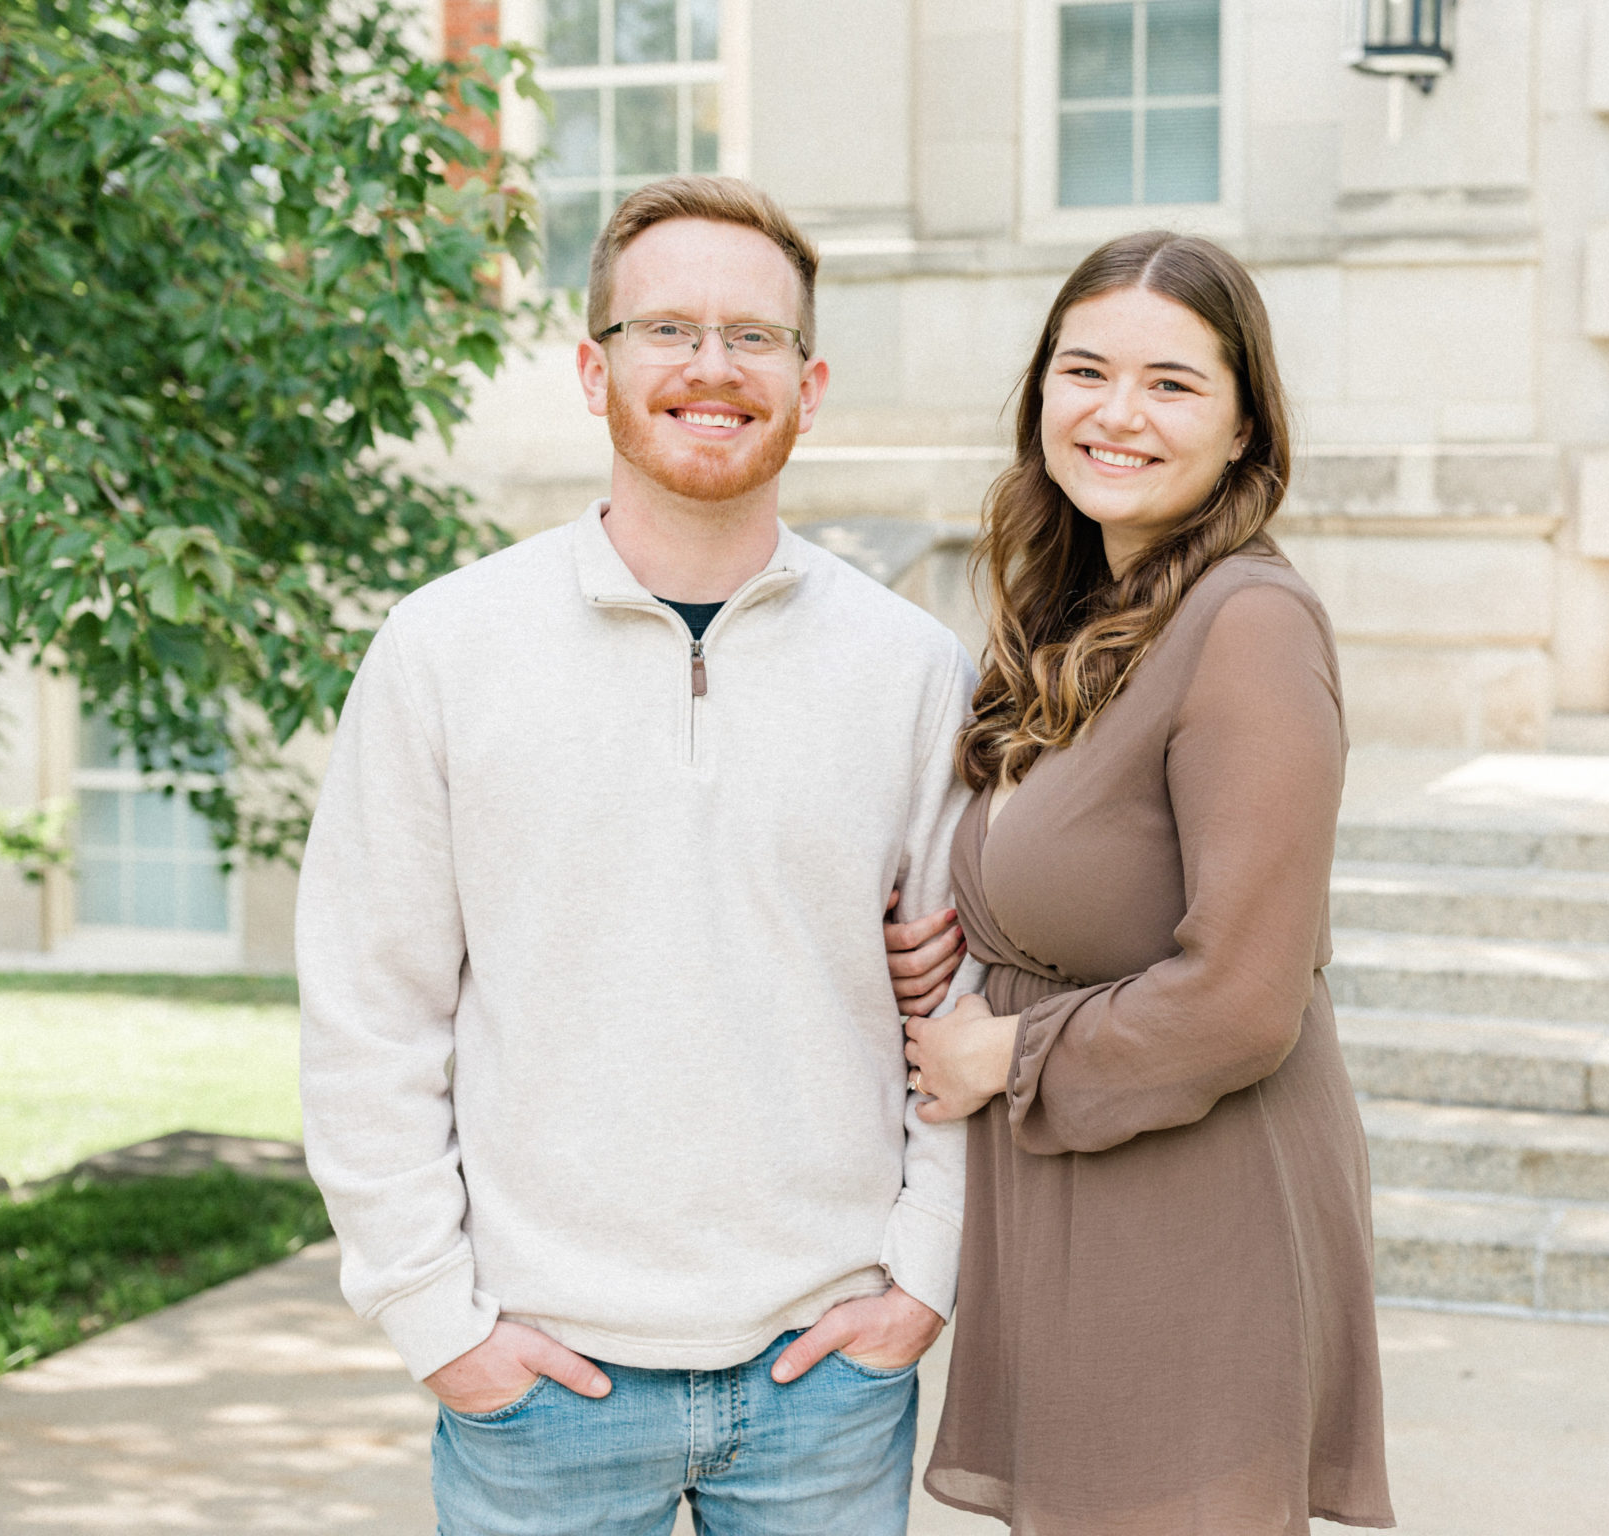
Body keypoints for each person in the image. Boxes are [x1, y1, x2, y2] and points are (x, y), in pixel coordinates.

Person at [296, 175, 979, 1536]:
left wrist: (924, 1277)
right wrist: (439, 1322)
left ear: (811, 379)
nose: (712, 367)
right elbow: (370, 1011)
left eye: (755, 337)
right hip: (540, 1382)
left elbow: (961, 1005)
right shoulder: (445, 652)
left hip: (826, 1378)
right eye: (667, 330)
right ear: (591, 368)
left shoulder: (910, 667)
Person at [902, 230, 1396, 1534]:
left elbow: (1244, 997)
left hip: (1198, 1210)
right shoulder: (1080, 620)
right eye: (1085, 370)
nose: (1118, 413)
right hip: (1080, 1213)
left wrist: (1003, 1049)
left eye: (1173, 383)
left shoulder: (1247, 624)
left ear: (1244, 427)